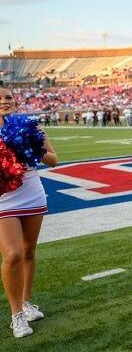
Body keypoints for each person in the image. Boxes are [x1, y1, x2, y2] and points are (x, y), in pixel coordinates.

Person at [0, 87, 57, 338]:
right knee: (12, 255)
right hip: (2, 196)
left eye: (8, 97)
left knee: (28, 250)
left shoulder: (30, 126)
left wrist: (33, 148)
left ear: (16, 101)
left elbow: (54, 159)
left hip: (31, 190)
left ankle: (25, 303)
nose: (4, 101)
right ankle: (16, 316)